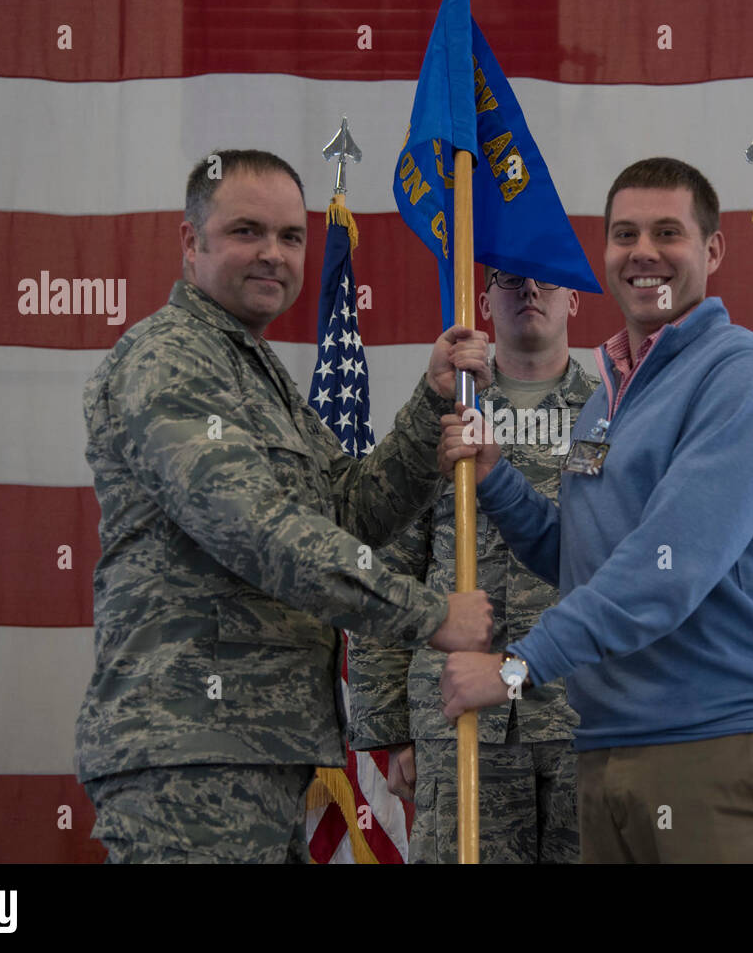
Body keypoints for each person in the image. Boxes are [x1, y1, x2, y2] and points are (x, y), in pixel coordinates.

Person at [75, 149, 493, 863]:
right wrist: (429, 615)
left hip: (253, 753)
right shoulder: (168, 360)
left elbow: (349, 508)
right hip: (189, 757)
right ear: (191, 244)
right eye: (247, 231)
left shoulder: (254, 372)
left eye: (291, 237)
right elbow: (258, 532)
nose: (272, 254)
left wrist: (430, 408)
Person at [438, 157, 753, 863]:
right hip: (612, 750)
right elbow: (583, 561)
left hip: (721, 747)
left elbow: (665, 570)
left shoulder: (737, 375)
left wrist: (515, 668)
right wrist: (497, 479)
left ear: (711, 251)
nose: (643, 252)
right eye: (624, 234)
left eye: (666, 232)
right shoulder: (610, 395)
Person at [347, 266, 597, 863]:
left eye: (546, 282)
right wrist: (392, 729)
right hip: (458, 721)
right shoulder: (447, 420)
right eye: (511, 281)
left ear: (575, 300)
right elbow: (389, 573)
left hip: (584, 719)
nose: (530, 293)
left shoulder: (612, 416)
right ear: (483, 302)